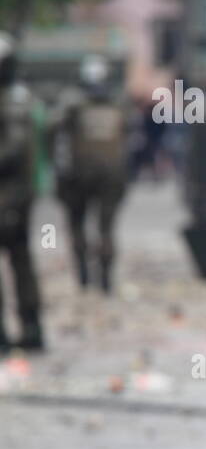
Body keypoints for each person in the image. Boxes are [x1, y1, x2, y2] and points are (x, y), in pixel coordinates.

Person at [54, 54, 129, 293]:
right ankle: (104, 279)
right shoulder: (119, 103)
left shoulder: (72, 104)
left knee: (77, 223)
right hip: (111, 173)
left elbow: (53, 130)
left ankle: (85, 276)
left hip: (81, 173)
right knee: (106, 227)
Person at [0, 32, 44, 351]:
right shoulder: (20, 98)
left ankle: (29, 328)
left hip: (10, 197)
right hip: (17, 196)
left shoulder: (13, 101)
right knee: (22, 261)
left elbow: (13, 149)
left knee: (20, 261)